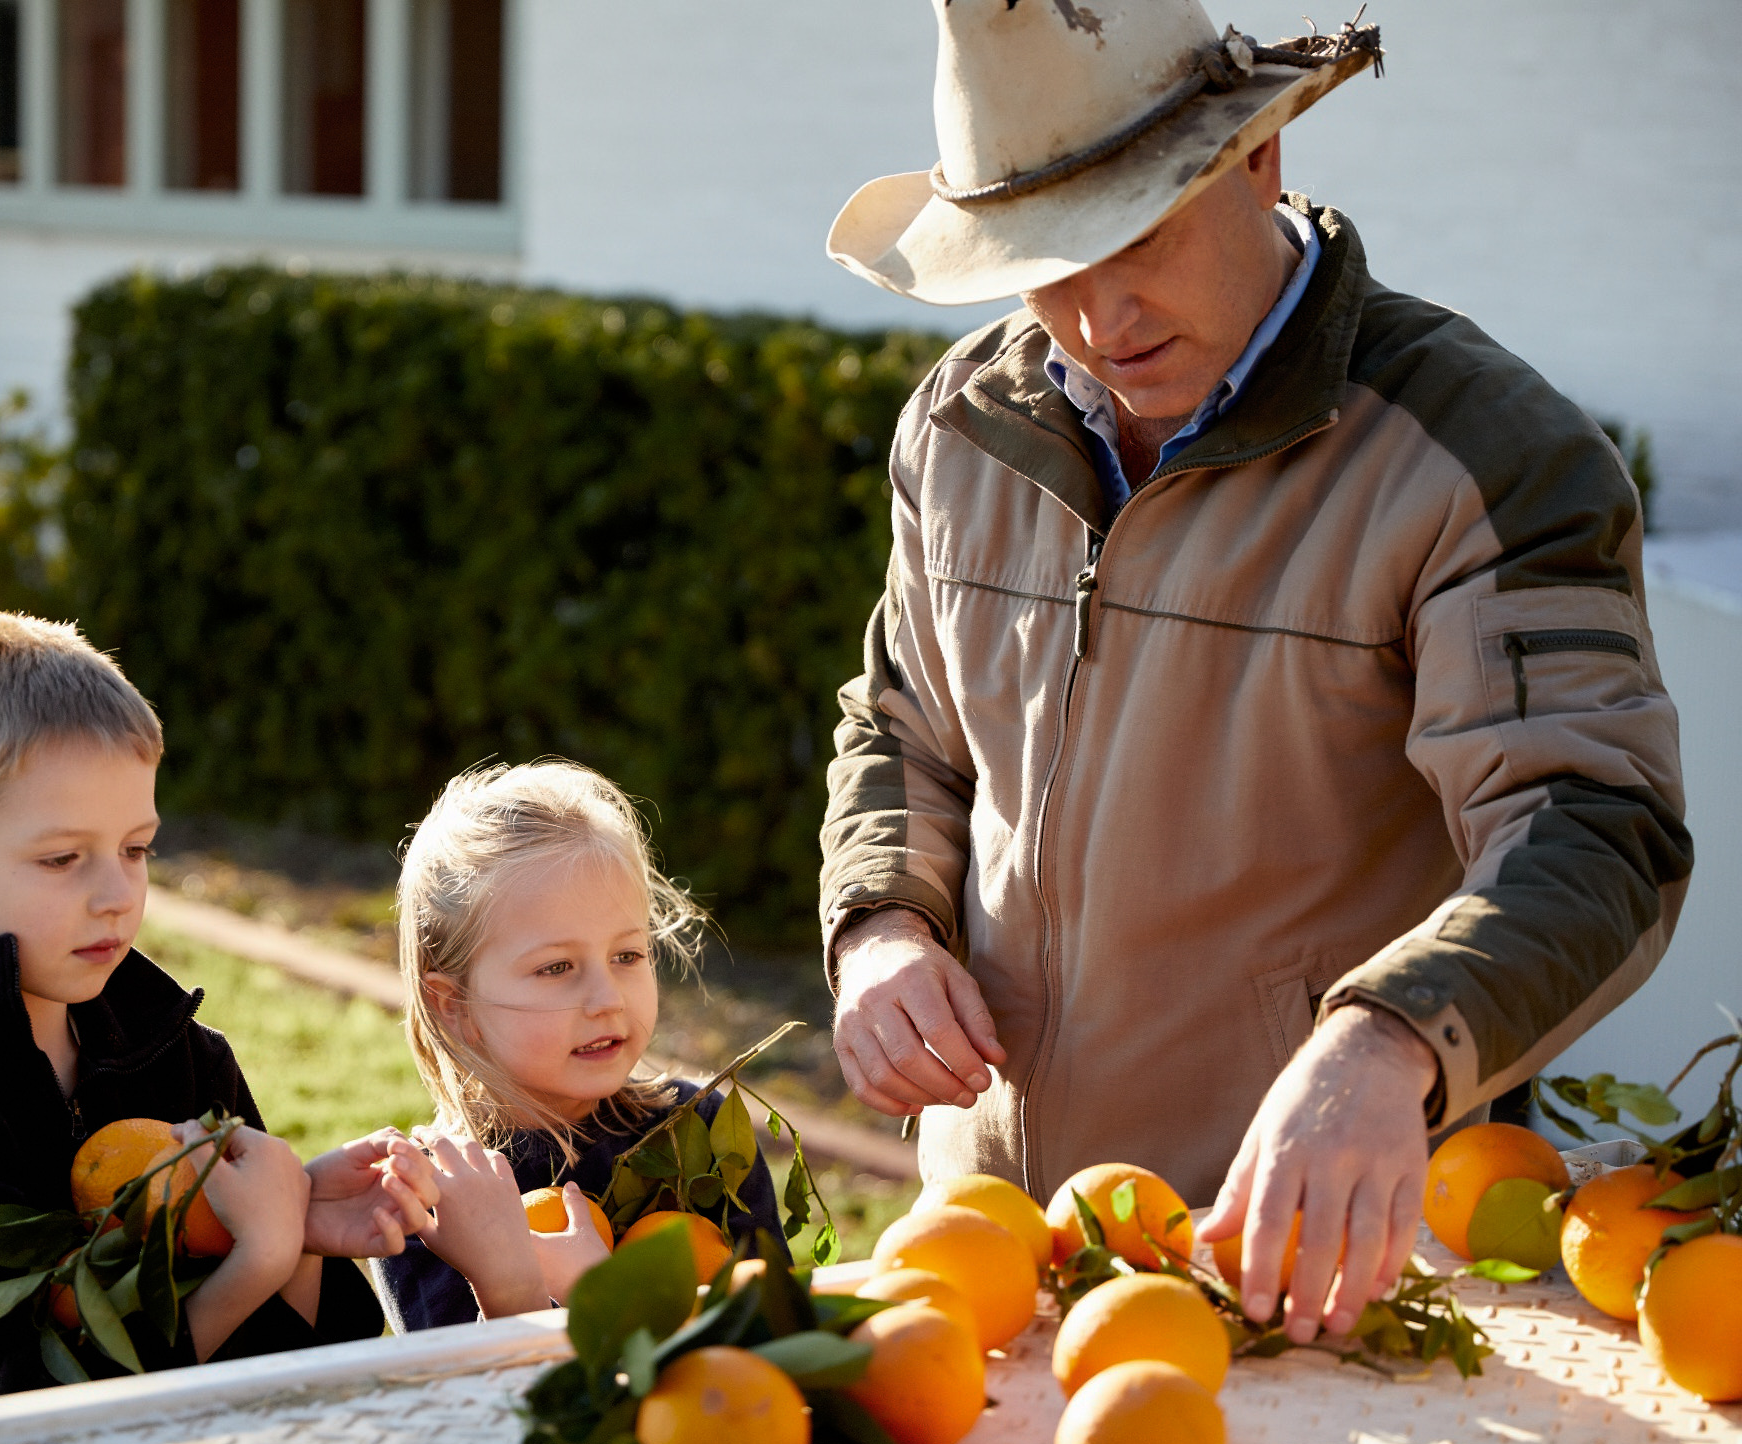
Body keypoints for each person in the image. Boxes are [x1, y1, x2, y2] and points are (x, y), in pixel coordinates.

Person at [817, 4, 1689, 1348]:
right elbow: (903, 731)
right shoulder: (957, 425)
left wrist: (1389, 1040)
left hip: (1310, 1277)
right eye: (1046, 262)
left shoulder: (1490, 458)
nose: (1098, 317)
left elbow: (1595, 827)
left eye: (1136, 234)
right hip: (986, 1260)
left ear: (1257, 156)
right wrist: (879, 924)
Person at [0, 583, 438, 1411]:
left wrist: (297, 1221)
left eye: (137, 850)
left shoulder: (180, 1055)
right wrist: (257, 1262)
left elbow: (301, 1372)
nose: (116, 895)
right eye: (63, 859)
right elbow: (12, 1413)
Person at [372, 761, 784, 1331]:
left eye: (627, 956)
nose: (607, 998)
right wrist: (543, 1291)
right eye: (557, 967)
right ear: (455, 1004)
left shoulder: (704, 1133)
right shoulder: (432, 1199)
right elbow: (477, 1406)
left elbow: (776, 1337)